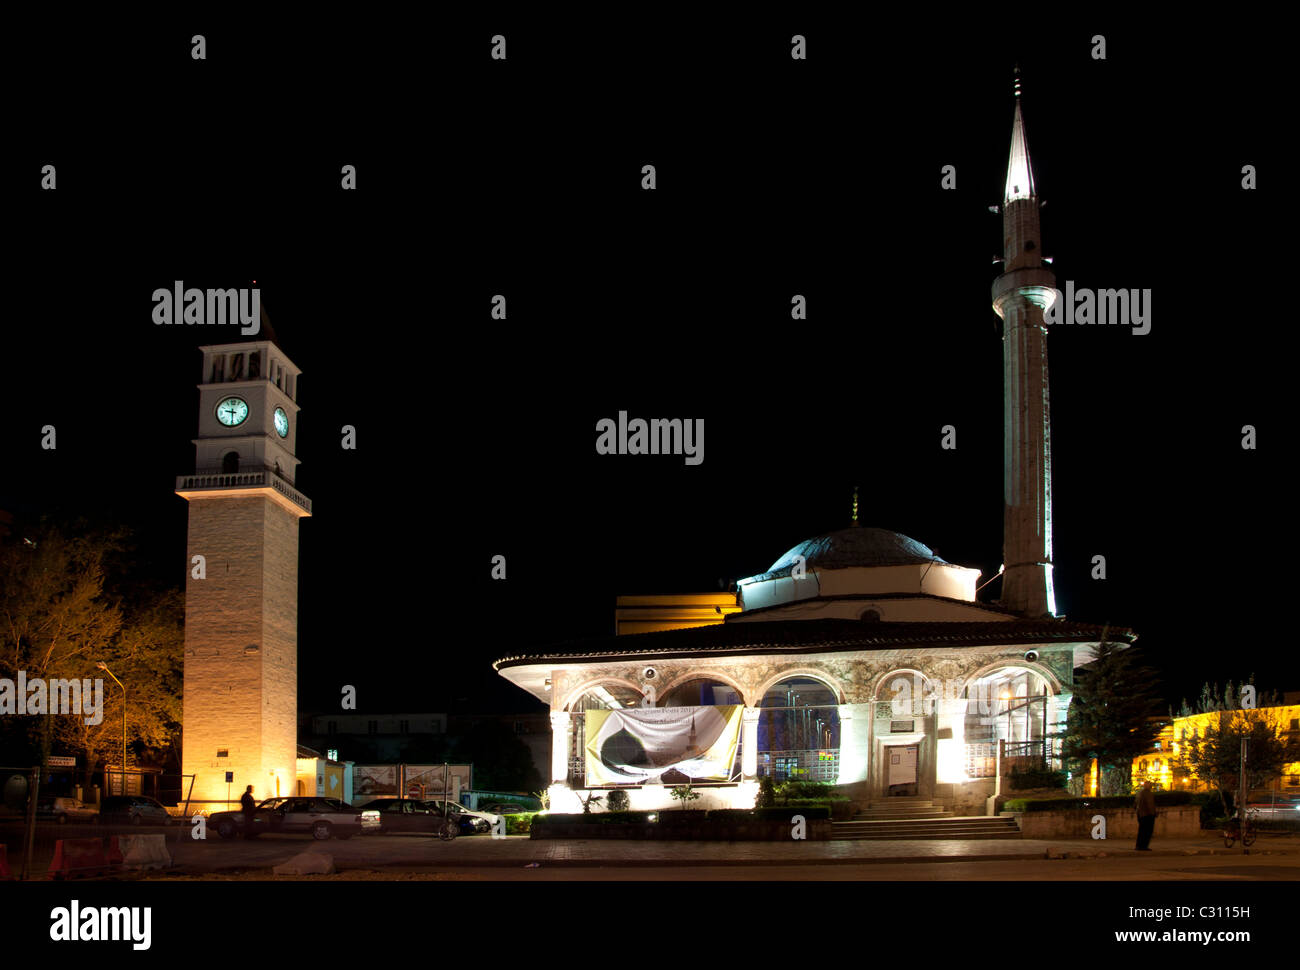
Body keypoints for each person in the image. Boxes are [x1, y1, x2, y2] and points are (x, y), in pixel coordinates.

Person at [1134, 781, 1156, 850]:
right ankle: (1144, 846)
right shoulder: (1148, 794)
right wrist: (1153, 814)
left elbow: (1135, 804)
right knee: (1147, 831)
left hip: (1140, 814)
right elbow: (1150, 805)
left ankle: (1139, 845)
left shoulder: (1139, 793)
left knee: (1141, 831)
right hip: (1147, 815)